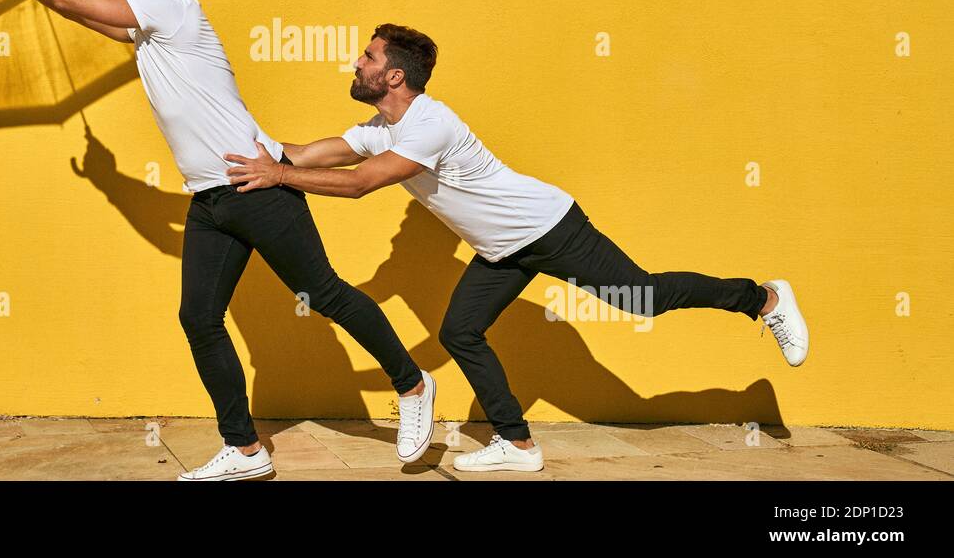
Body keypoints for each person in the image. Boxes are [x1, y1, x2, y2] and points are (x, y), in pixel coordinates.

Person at [0, 0, 436, 480]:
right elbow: (77, 10)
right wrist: (111, 182)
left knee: (325, 294)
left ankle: (413, 385)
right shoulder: (151, 20)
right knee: (199, 318)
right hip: (212, 199)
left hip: (255, 184)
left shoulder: (174, 8)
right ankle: (245, 450)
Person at [224, 23, 809, 473]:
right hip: (502, 249)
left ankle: (761, 298)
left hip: (549, 228)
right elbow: (313, 153)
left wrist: (275, 177)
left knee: (645, 299)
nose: (356, 61)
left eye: (369, 57)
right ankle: (517, 443)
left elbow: (357, 184)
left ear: (395, 76)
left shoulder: (431, 124)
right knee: (461, 332)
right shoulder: (379, 127)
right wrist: (248, 144)